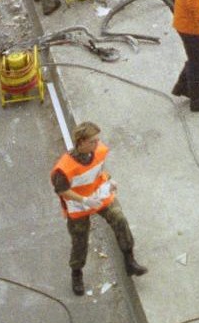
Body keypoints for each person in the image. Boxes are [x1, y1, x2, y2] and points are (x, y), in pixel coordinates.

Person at [53, 121, 147, 295]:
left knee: (119, 219)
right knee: (80, 240)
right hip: (78, 206)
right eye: (92, 141)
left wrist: (109, 179)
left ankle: (129, 260)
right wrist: (85, 200)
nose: (97, 144)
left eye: (97, 140)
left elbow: (98, 170)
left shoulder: (98, 151)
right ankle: (76, 273)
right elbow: (61, 190)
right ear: (80, 142)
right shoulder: (64, 168)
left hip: (98, 195)